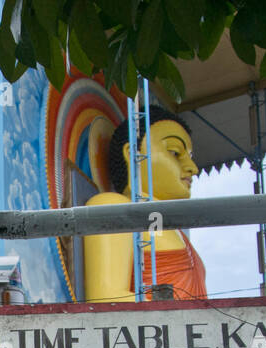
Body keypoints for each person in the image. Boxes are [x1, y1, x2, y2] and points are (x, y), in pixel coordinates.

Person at [82, 107, 207, 303]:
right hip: (160, 323)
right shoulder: (112, 206)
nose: (193, 168)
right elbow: (106, 298)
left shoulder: (173, 230)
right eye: (175, 152)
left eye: (189, 157)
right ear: (133, 154)